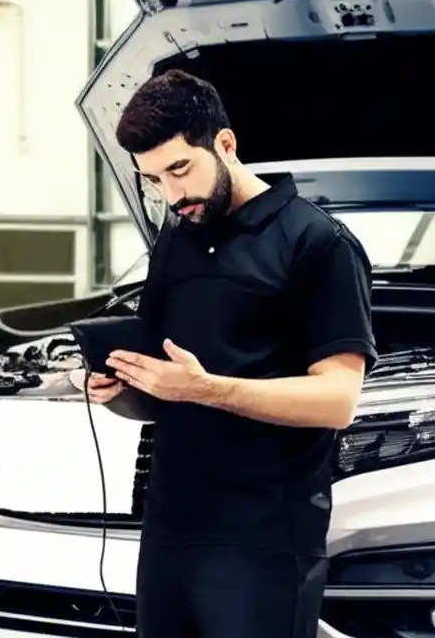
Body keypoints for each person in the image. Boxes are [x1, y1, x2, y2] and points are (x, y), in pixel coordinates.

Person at [86, 69, 377, 637]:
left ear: (225, 144)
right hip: (170, 526)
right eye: (153, 180)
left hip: (264, 538)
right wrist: (120, 390)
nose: (172, 196)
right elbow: (163, 388)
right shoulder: (176, 240)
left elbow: (337, 401)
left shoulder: (318, 243)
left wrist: (207, 388)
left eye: (179, 169)